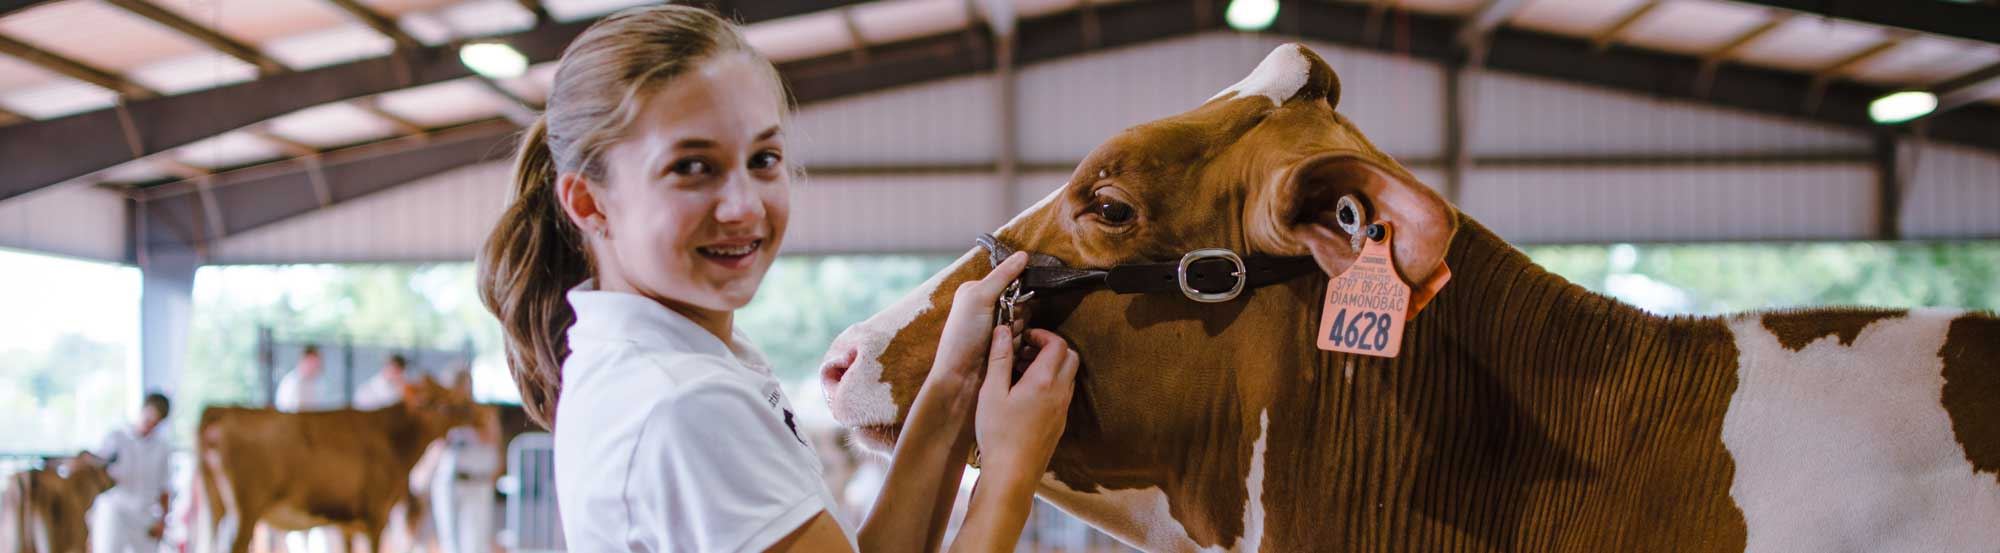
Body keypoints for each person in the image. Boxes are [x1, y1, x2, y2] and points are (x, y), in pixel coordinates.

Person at [477, 6, 1077, 552]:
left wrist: (953, 382)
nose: (742, 206)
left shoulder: (660, 364)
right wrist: (1008, 470)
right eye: (692, 167)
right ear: (590, 203)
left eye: (763, 160)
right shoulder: (688, 405)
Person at [84, 392, 173, 553]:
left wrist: (163, 521)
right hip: (115, 509)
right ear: (143, 410)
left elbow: (164, 488)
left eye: (155, 422)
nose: (150, 424)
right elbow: (98, 470)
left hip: (144, 515)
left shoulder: (162, 448)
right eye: (149, 418)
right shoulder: (116, 438)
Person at [428, 406, 500, 553]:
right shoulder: (443, 412)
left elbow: (492, 441)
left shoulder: (484, 413)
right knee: (449, 538)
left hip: (476, 482)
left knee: (475, 539)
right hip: (448, 481)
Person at [274, 344, 334, 412]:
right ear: (302, 361)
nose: (313, 367)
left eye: (316, 363)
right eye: (310, 362)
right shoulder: (291, 383)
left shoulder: (320, 382)